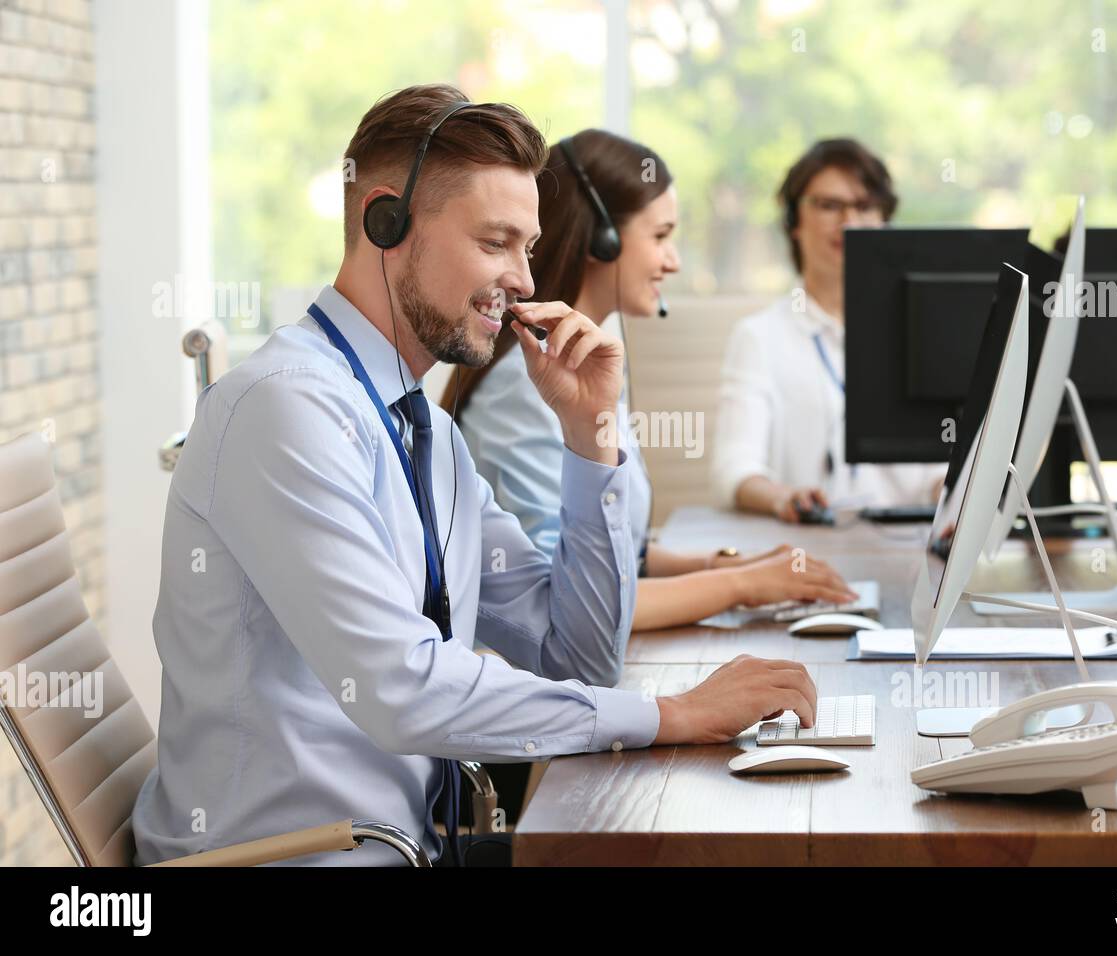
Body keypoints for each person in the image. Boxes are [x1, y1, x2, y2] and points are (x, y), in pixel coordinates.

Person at [131, 85, 820, 867]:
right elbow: (402, 691)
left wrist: (590, 434)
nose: (524, 280)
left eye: (528, 247)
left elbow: (576, 657)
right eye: (497, 242)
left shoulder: (424, 430)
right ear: (384, 221)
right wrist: (670, 714)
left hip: (404, 849)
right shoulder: (285, 411)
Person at [448, 129, 857, 632]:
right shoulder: (527, 383)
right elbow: (567, 599)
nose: (674, 261)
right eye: (661, 236)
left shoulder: (585, 362)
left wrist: (728, 565)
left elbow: (617, 554)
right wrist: (741, 586)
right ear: (604, 238)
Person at [712, 138, 944, 522]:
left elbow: (943, 469)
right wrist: (783, 498)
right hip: (805, 552)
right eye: (829, 205)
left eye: (865, 206)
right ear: (793, 222)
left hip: (911, 553)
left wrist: (953, 499)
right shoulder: (759, 337)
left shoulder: (919, 334)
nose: (849, 222)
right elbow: (733, 471)